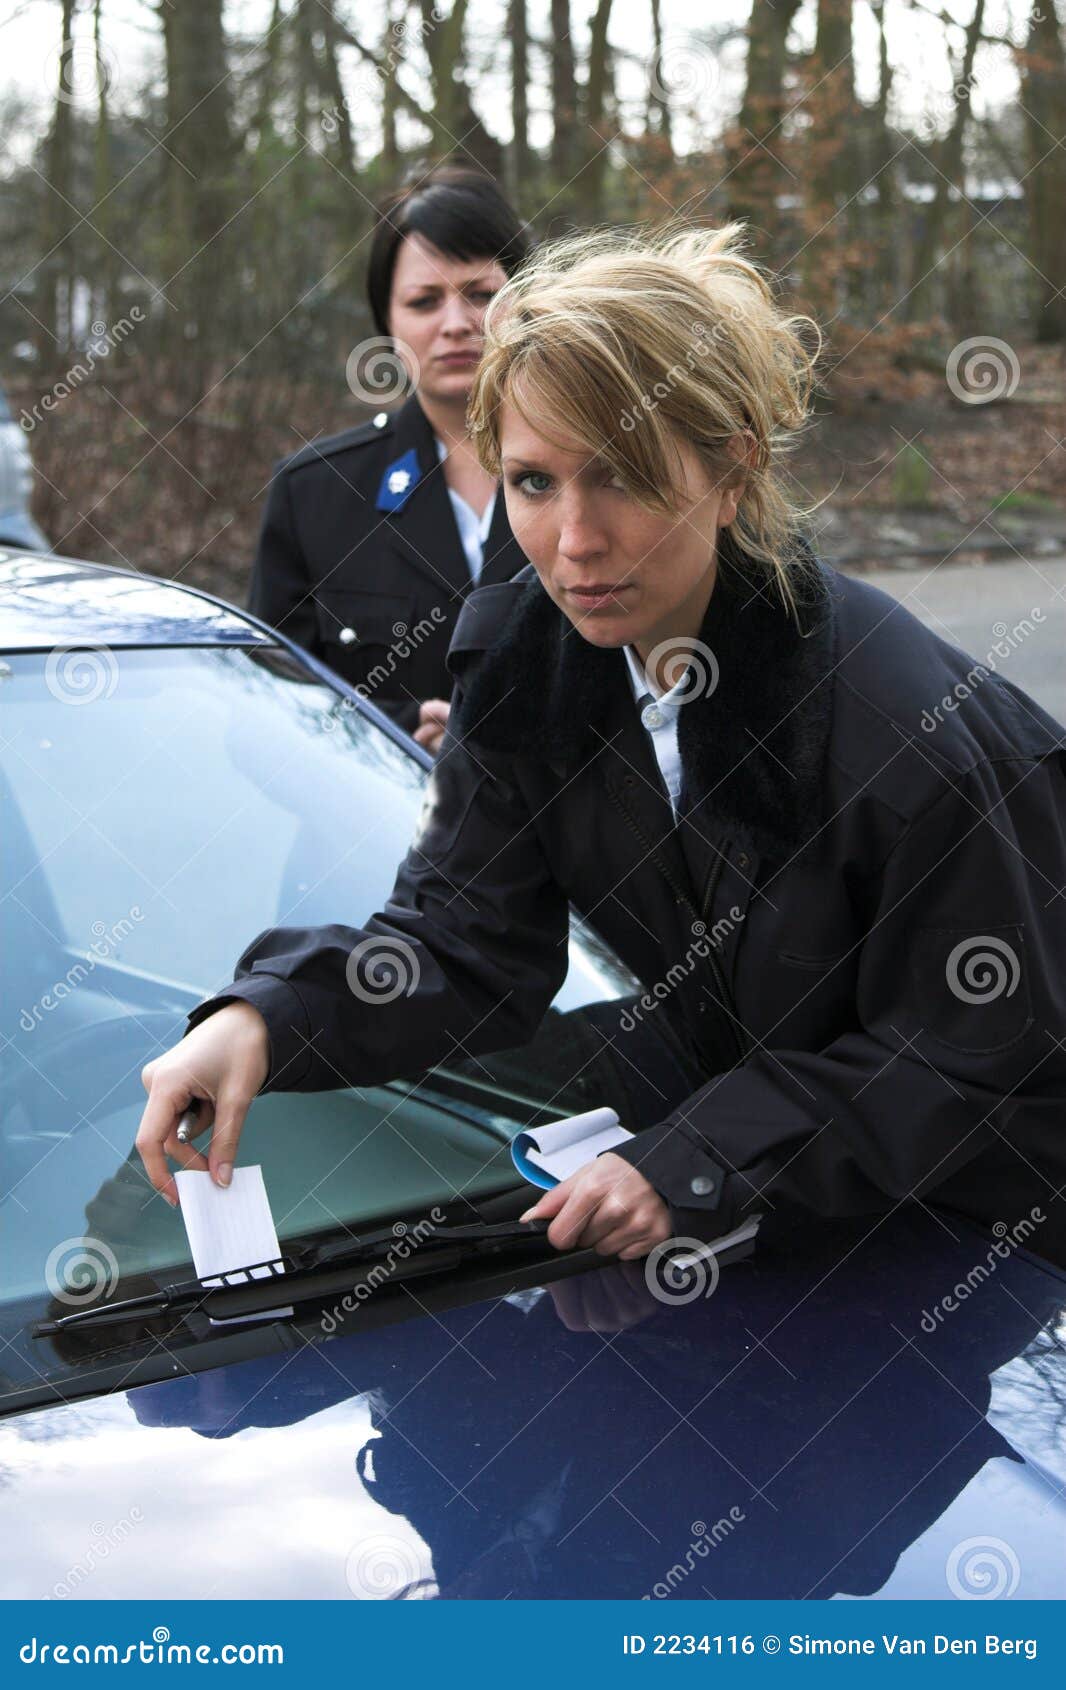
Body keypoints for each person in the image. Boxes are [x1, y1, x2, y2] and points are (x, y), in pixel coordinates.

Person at [136, 220, 1066, 1269]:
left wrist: (695, 1160)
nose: (574, 542)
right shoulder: (526, 655)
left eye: (620, 477)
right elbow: (468, 940)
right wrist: (268, 1017)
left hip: (981, 1247)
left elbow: (965, 1059)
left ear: (732, 468)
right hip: (747, 1231)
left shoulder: (909, 735)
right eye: (532, 483)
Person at [248, 163, 533, 755]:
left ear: (525, 303)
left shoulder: (602, 472)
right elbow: (266, 712)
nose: (456, 324)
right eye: (425, 301)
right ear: (389, 323)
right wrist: (395, 734)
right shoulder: (316, 495)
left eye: (481, 295)